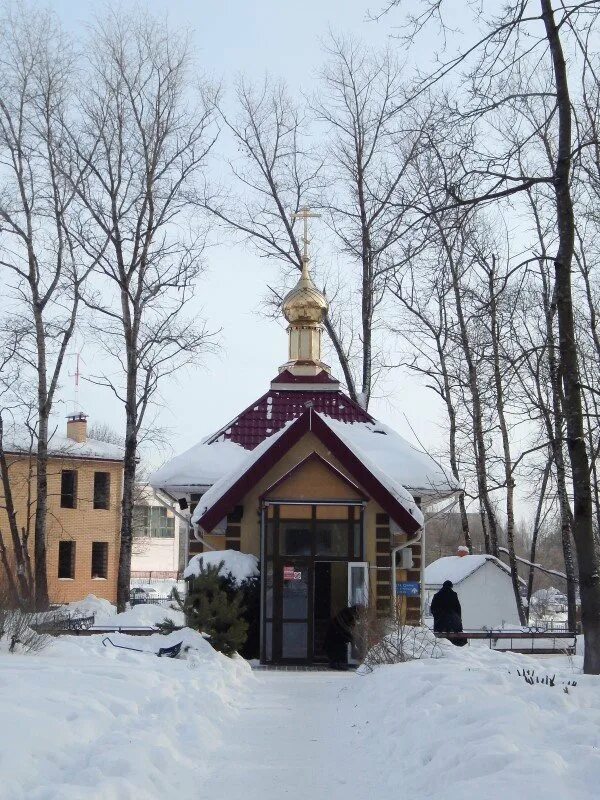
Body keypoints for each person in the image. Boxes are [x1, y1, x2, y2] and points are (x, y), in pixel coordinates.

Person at [430, 580, 467, 646]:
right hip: (453, 621)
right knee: (454, 641)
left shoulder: (437, 595)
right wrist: (458, 619)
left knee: (440, 641)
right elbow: (458, 608)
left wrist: (437, 616)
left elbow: (433, 608)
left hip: (440, 622)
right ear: (451, 586)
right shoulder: (454, 595)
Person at [323, 605, 361, 669]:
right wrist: (351, 638)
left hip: (336, 635)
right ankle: (337, 664)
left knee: (339, 647)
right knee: (338, 648)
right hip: (335, 634)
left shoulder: (346, 613)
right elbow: (344, 627)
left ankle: (337, 663)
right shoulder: (346, 615)